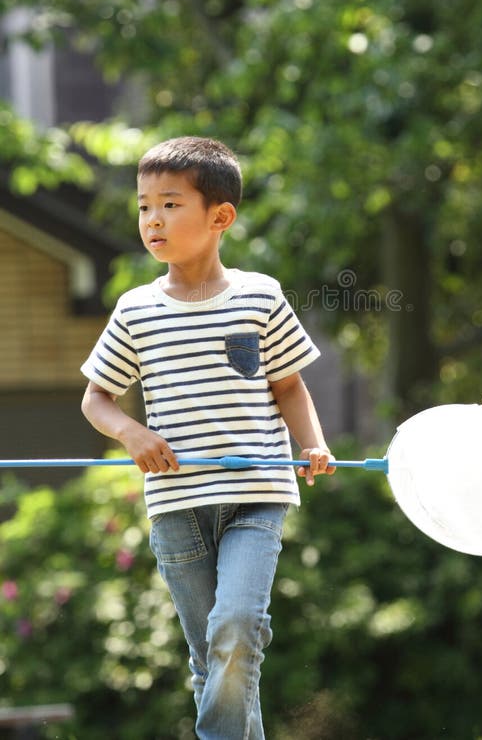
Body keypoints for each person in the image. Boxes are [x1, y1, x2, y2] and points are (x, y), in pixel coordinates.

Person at [80, 136, 335, 740]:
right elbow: (97, 398)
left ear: (220, 217)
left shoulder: (260, 296)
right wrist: (129, 432)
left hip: (256, 495)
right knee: (214, 661)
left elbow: (290, 387)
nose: (152, 219)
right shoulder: (135, 310)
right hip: (176, 506)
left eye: (170, 204)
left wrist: (313, 444)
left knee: (238, 631)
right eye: (144, 206)